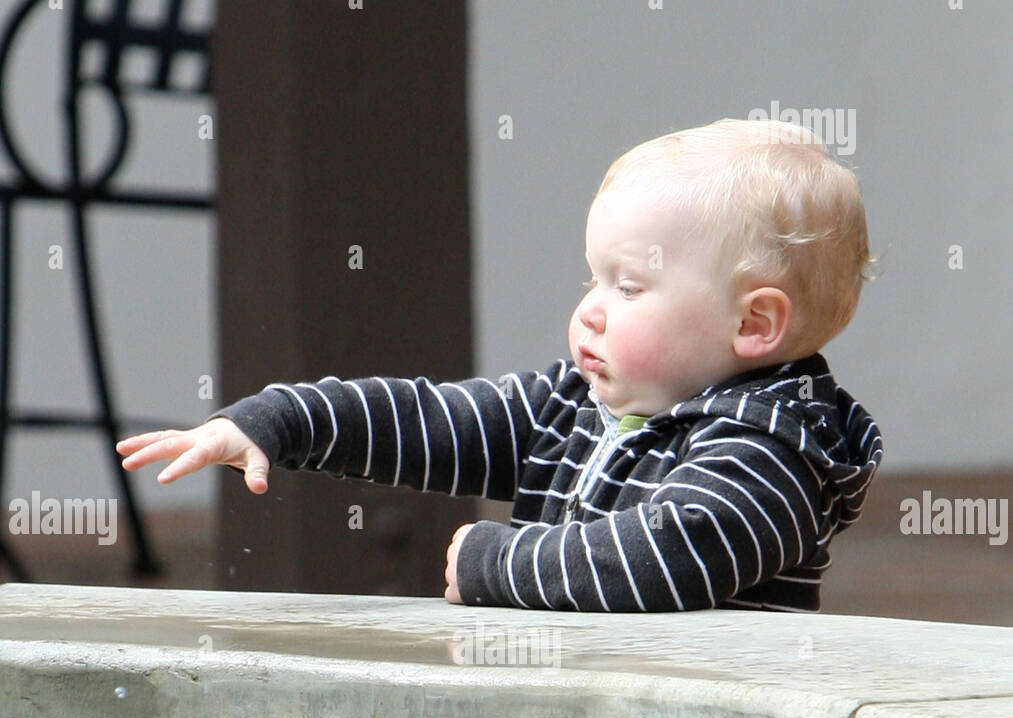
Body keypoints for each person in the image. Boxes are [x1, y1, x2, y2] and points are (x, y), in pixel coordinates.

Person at [118, 117, 882, 613]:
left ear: (752, 323)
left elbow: (666, 558)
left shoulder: (771, 454)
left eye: (629, 286)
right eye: (592, 279)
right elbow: (428, 419)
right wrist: (276, 421)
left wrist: (495, 563)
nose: (591, 309)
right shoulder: (581, 404)